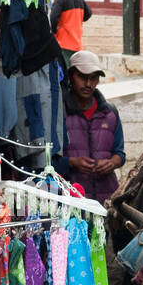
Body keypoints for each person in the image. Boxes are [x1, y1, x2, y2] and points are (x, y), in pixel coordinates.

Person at [55, 51, 125, 203]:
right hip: (71, 200)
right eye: (82, 77)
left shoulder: (110, 113)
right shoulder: (59, 113)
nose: (88, 84)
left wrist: (112, 162)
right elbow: (49, 162)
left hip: (107, 199)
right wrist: (72, 163)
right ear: (71, 77)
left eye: (93, 78)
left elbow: (120, 153)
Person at [49, 0, 91, 68]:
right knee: (75, 68)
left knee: (65, 69)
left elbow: (53, 18)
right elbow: (89, 14)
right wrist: (76, 20)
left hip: (64, 42)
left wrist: (54, 32)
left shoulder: (60, 0)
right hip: (77, 42)